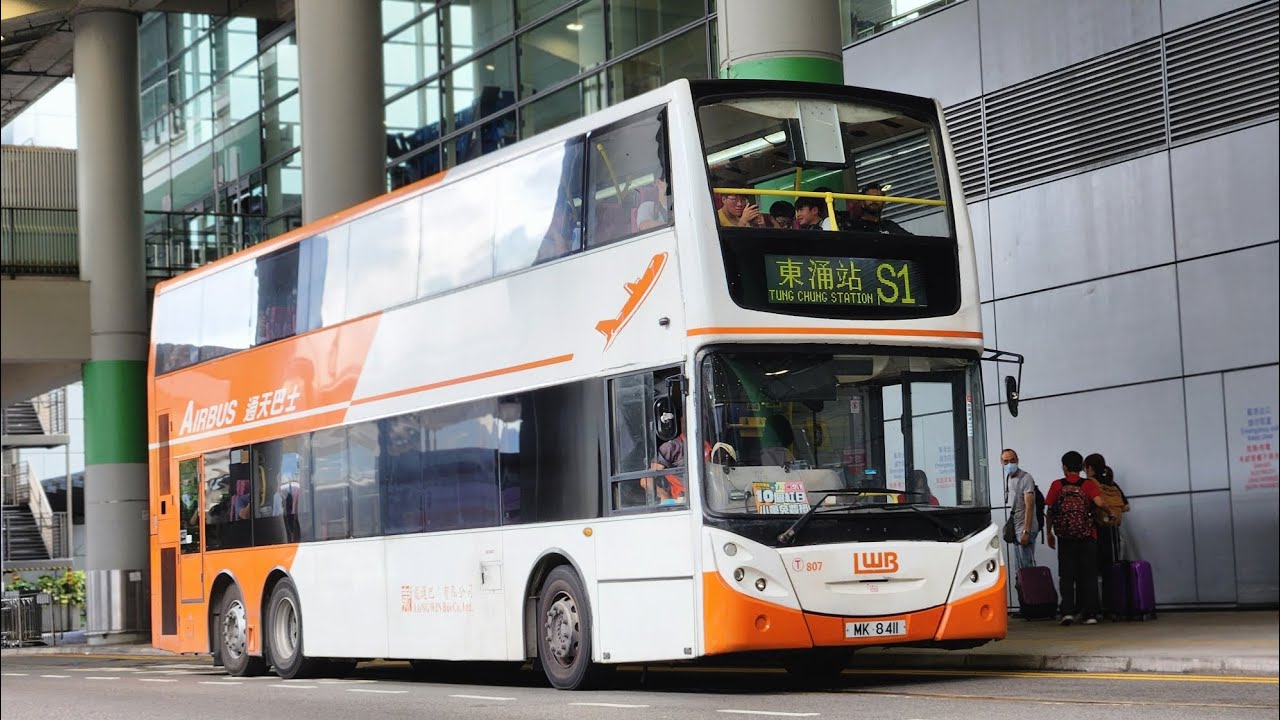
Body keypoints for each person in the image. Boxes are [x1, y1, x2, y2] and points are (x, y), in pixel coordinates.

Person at [1044, 450, 1106, 625]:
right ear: (1081, 467)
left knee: (1067, 575)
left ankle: (1067, 613)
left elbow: (1050, 511)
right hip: (1087, 535)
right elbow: (1099, 503)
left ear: (1064, 466)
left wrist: (1049, 533)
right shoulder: (1088, 484)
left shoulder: (1057, 485)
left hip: (1065, 536)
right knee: (1089, 575)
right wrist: (1111, 512)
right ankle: (1091, 614)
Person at [1086, 453, 1130, 615]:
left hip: (1097, 532)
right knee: (1113, 569)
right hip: (1114, 531)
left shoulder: (1090, 483)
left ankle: (1097, 608)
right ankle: (1115, 605)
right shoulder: (1112, 483)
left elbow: (1090, 504)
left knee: (1093, 572)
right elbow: (1126, 507)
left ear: (1089, 468)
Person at [1002, 448, 1039, 579]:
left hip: (1025, 529)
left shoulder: (1026, 478)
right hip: (1016, 528)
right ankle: (1025, 598)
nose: (1009, 464)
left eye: (1012, 460)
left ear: (1017, 460)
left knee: (1027, 568)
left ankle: (1033, 598)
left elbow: (1030, 505)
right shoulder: (1008, 478)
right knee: (1019, 571)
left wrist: (1026, 531)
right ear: (1001, 463)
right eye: (1006, 461)